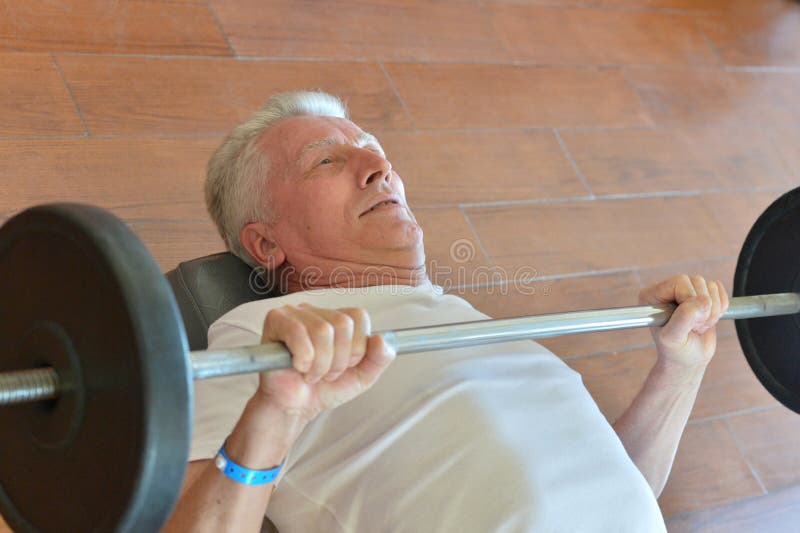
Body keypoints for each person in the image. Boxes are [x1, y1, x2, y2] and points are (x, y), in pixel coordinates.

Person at [162, 92, 729, 532]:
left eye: (375, 150)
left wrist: (680, 371)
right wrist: (275, 411)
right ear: (265, 245)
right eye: (327, 161)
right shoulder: (268, 335)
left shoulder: (468, 321)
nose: (378, 167)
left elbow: (622, 491)